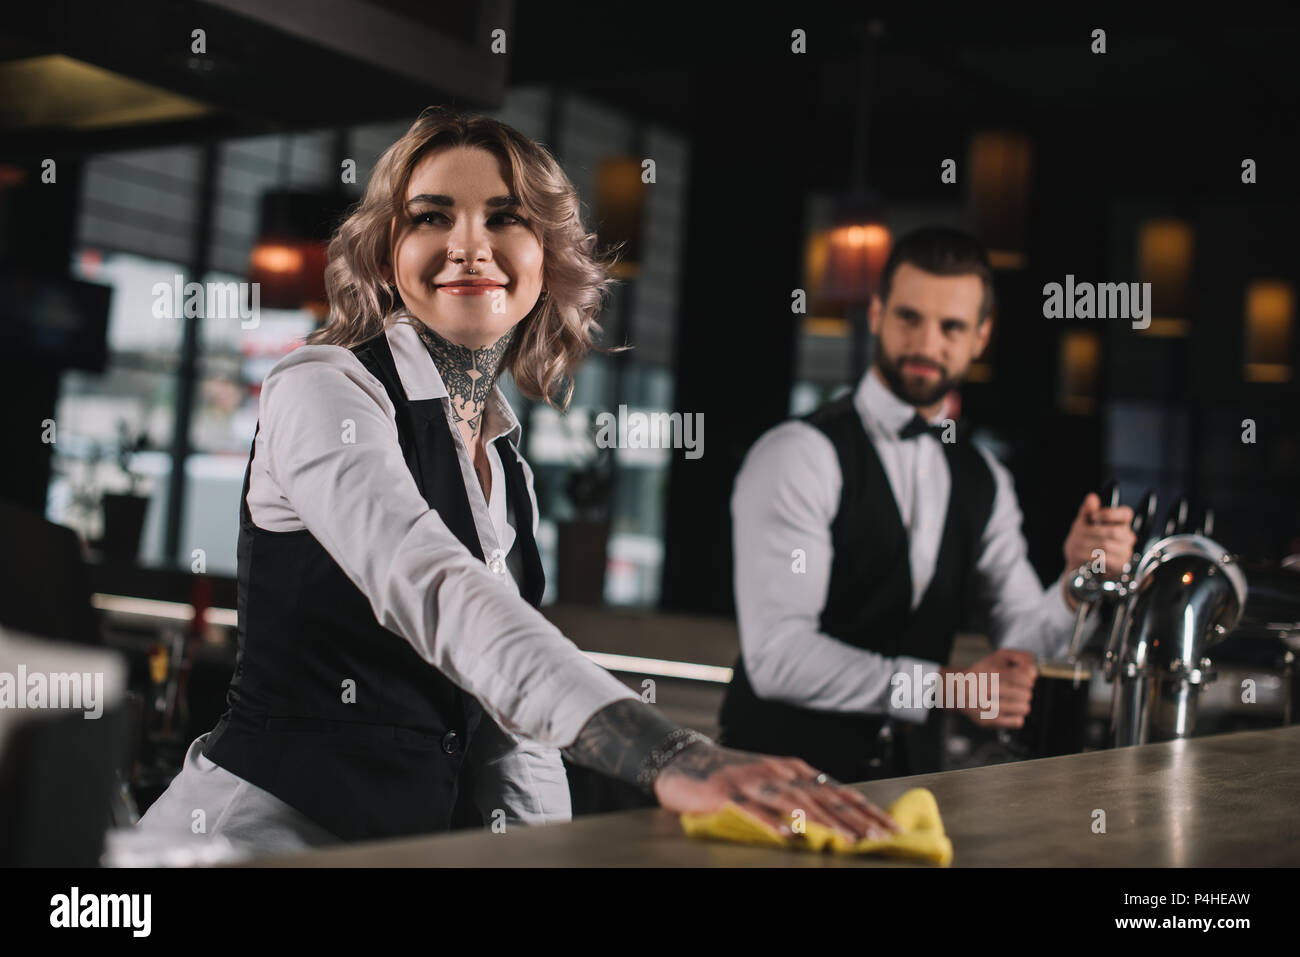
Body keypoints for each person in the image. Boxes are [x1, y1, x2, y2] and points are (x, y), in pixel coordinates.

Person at [137, 107, 898, 856]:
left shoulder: (506, 466)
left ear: (547, 258)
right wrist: (673, 755)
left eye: (506, 218)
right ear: (384, 257)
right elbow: (434, 585)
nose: (470, 247)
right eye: (432, 218)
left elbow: (509, 728)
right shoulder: (322, 387)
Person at [718, 227, 1137, 784]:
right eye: (909, 317)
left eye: (952, 327)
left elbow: (1019, 647)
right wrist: (949, 687)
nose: (926, 343)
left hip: (909, 790)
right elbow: (777, 658)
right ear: (876, 314)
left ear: (980, 337)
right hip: (772, 780)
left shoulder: (985, 478)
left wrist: (1077, 579)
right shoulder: (799, 454)